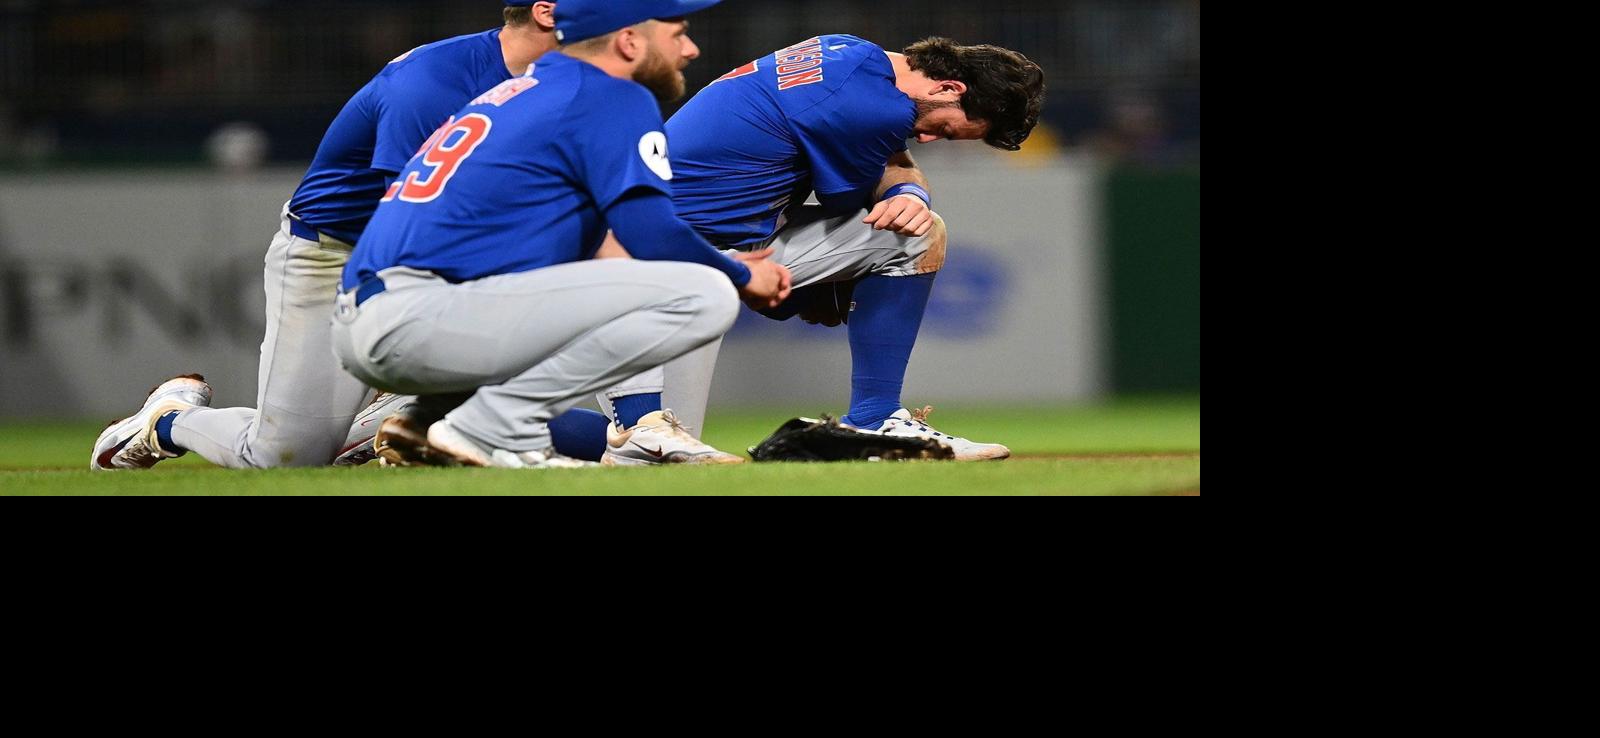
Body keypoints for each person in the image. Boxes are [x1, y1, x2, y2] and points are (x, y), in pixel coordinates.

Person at [92, 2, 560, 472]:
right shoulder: (431, 83)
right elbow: (411, 231)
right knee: (282, 458)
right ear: (547, 13)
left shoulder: (576, 81)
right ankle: (168, 419)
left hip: (445, 252)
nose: (629, 28)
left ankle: (404, 412)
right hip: (335, 254)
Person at [326, 0, 790, 469]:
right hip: (416, 315)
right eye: (677, 33)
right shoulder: (612, 95)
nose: (690, 49)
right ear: (629, 41)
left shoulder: (530, 91)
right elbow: (652, 235)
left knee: (606, 276)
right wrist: (737, 274)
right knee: (705, 294)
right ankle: (489, 428)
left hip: (375, 315)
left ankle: (425, 422)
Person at [588, 33, 1045, 462]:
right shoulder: (873, 111)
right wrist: (822, 284)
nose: (924, 139)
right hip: (655, 257)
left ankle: (875, 417)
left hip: (717, 241)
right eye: (943, 130)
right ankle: (523, 437)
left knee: (915, 232)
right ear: (950, 86)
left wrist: (909, 193)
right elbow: (863, 193)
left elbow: (888, 167)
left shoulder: (848, 50)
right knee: (650, 446)